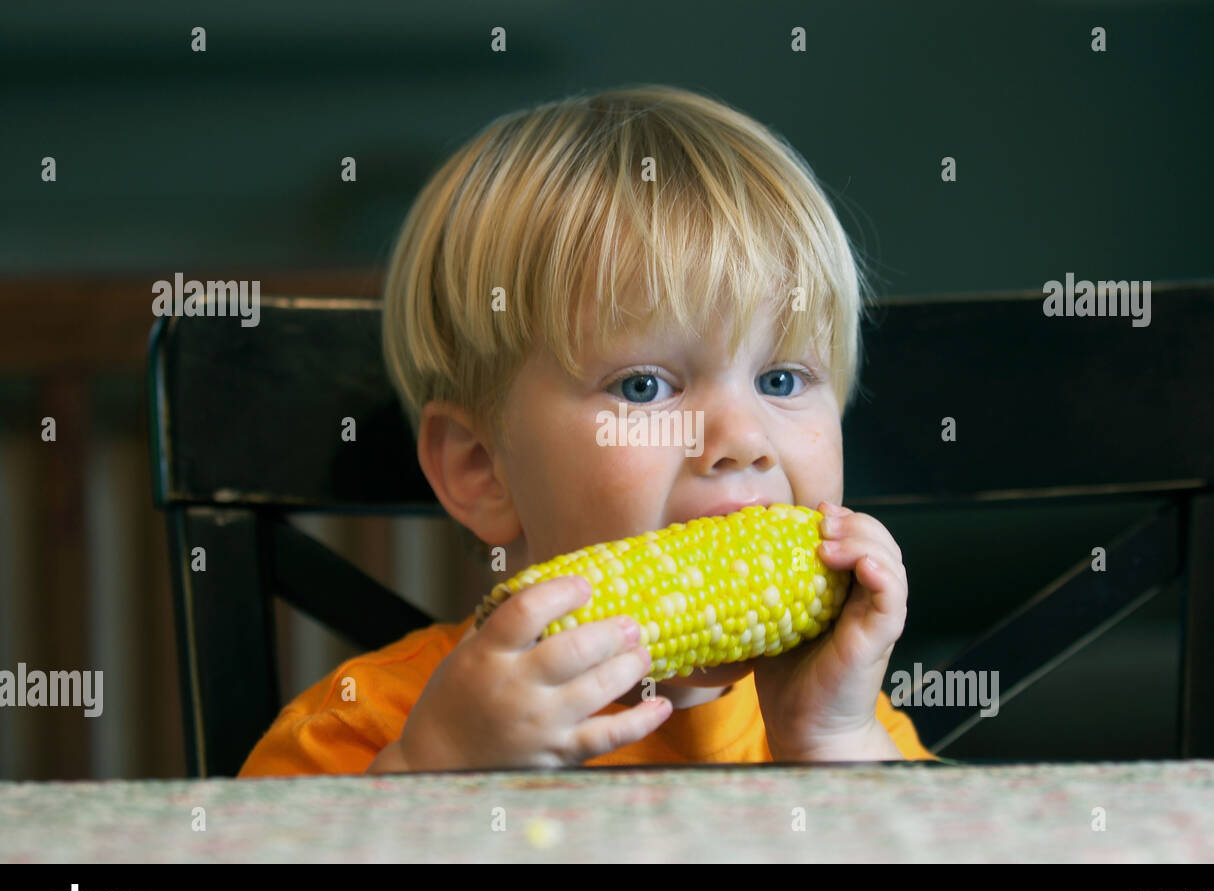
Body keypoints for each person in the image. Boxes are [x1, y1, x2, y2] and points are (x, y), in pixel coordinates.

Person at [239, 84, 935, 776]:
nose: (742, 440)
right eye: (644, 386)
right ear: (481, 468)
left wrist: (833, 748)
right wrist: (437, 776)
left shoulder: (852, 720)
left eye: (781, 380)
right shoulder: (368, 730)